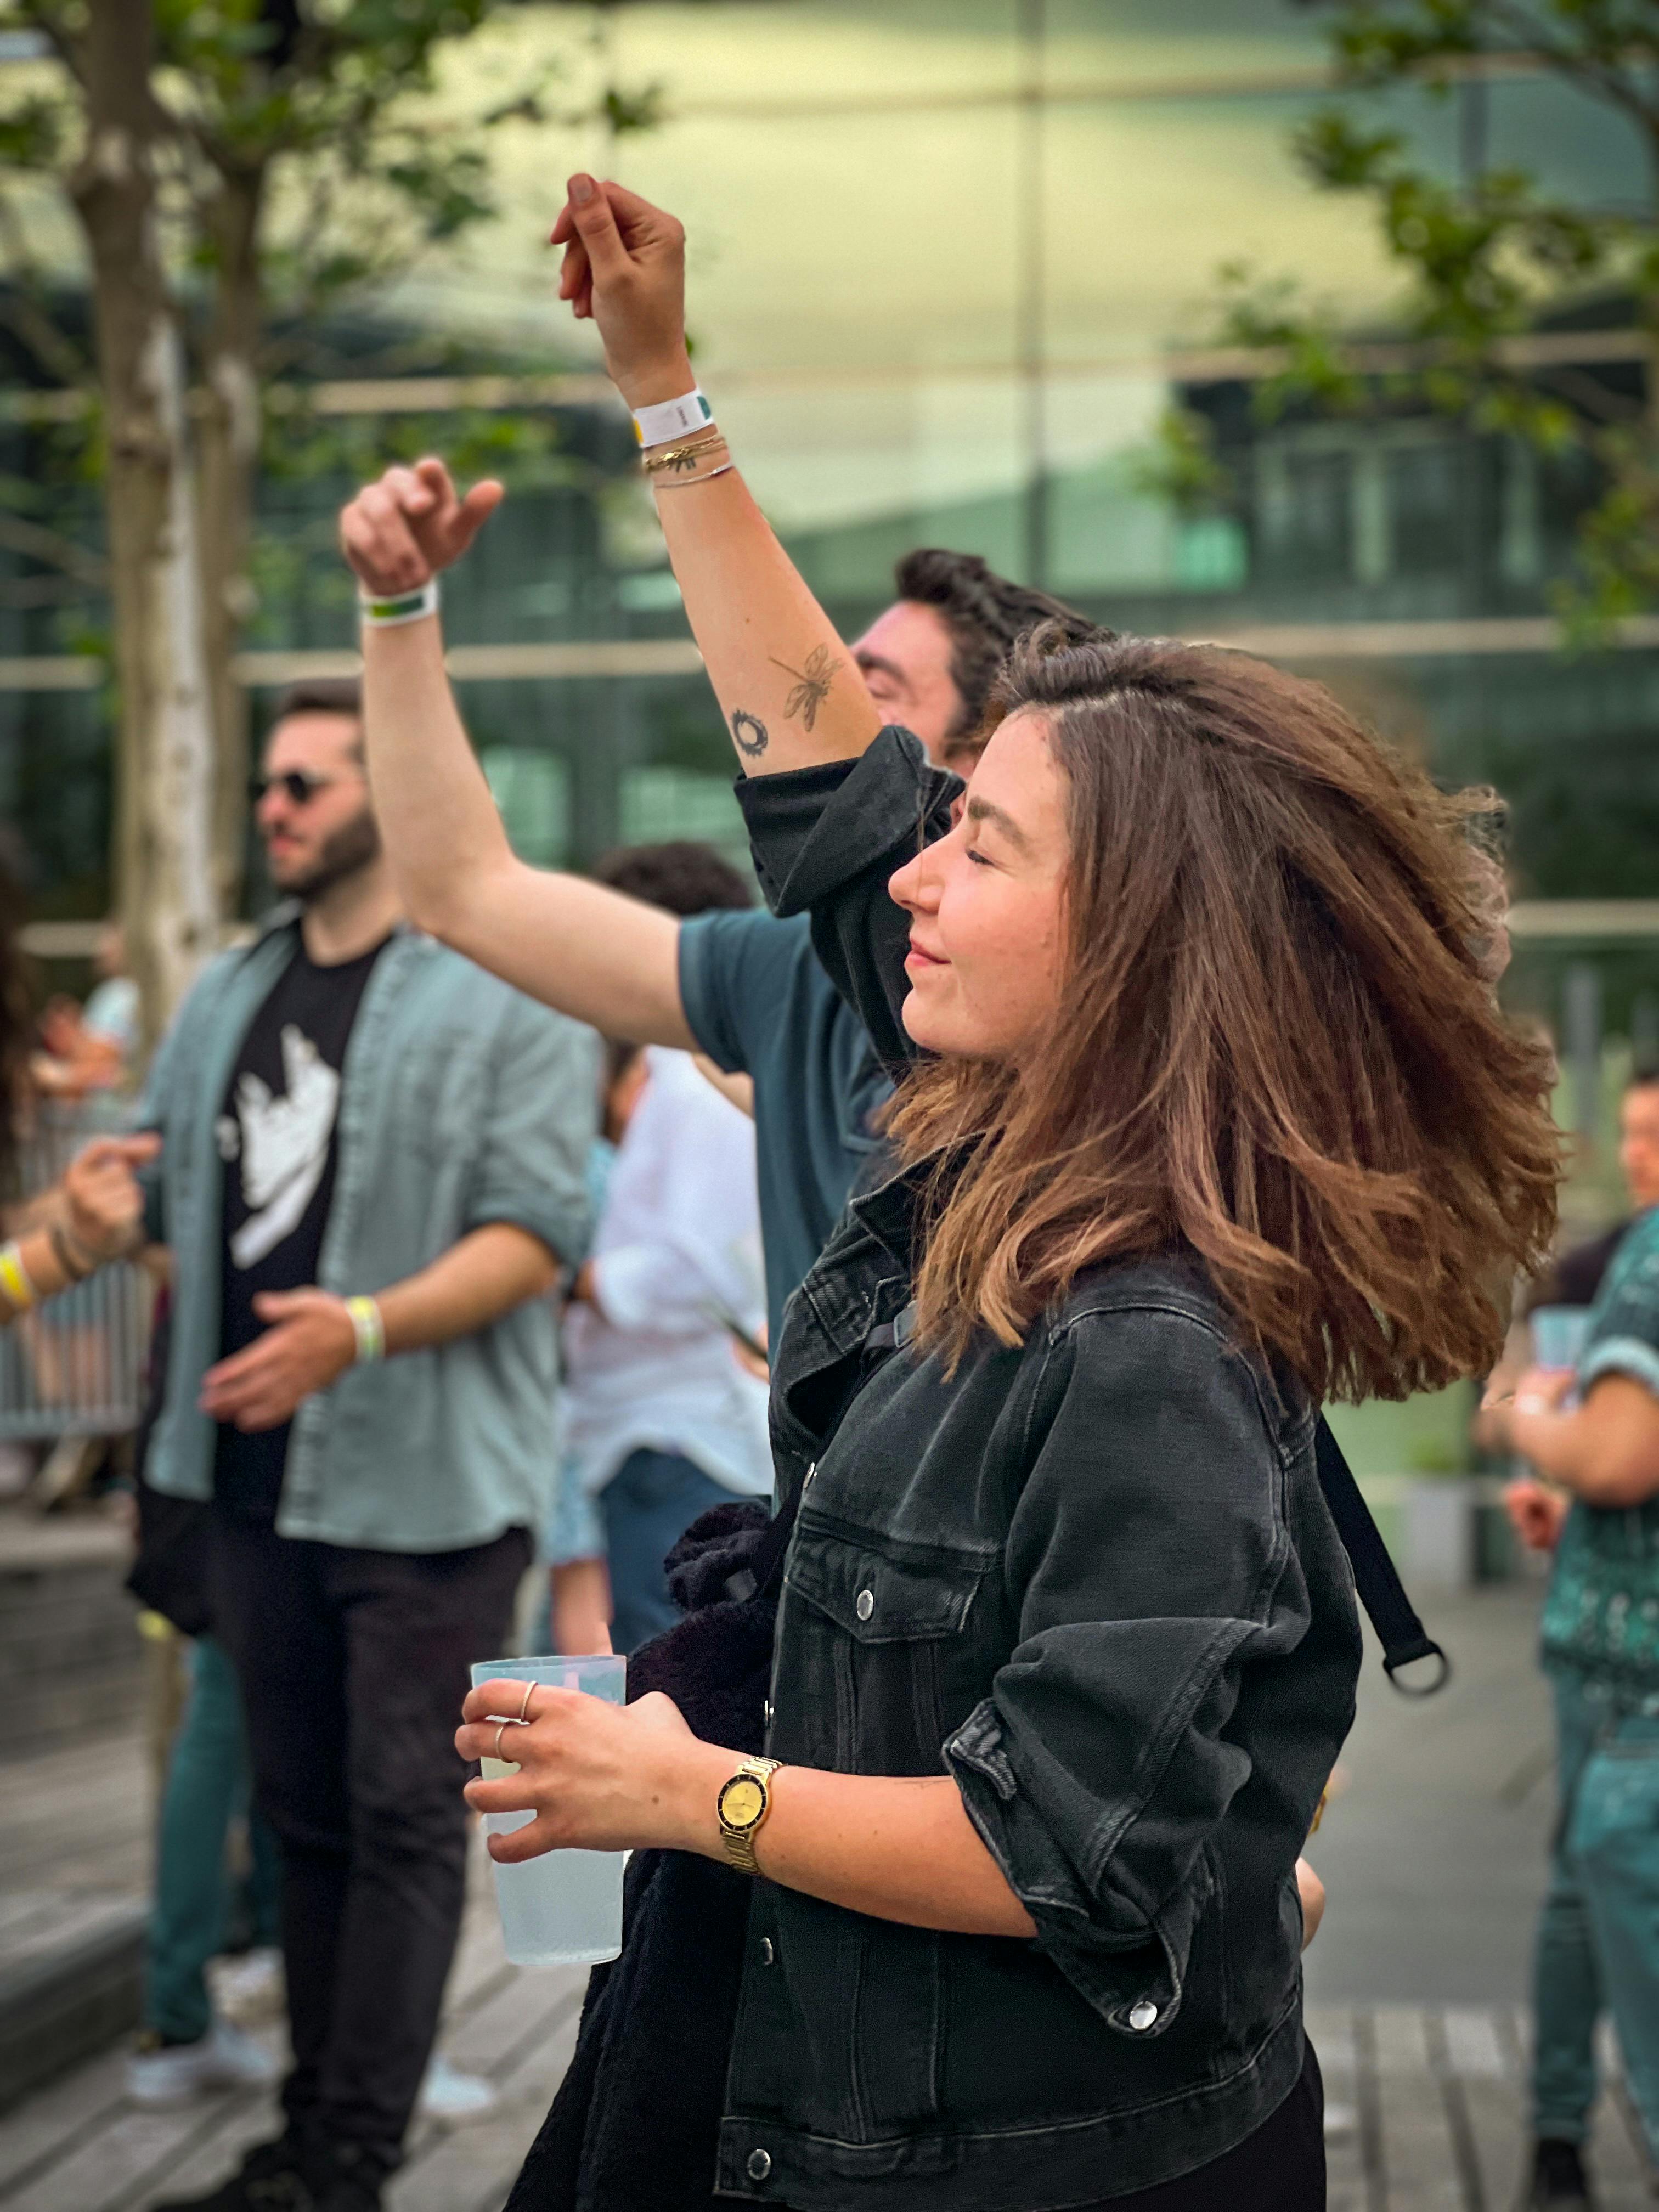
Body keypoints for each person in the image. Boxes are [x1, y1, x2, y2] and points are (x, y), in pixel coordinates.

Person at [359, 173, 1561, 2211]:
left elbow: (1069, 1841)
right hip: (830, 2047)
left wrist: (692, 1790)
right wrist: (655, 390)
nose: (907, 857)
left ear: (1132, 940)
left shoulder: (1144, 1332)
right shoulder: (968, 1145)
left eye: (978, 835)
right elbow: (807, 793)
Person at [76, 675, 602, 2212]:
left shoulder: (504, 989)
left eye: (306, 783)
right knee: (296, 1819)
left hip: (429, 1488)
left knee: (396, 1817)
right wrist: (109, 1222)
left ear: (387, 793)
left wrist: (358, 1329)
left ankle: (353, 2160)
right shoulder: (229, 995)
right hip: (246, 1478)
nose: (276, 809)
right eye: (268, 788)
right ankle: (306, 2140)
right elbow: (175, 1211)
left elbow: (538, 1232)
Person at [337, 459, 1091, 1345]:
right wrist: (398, 611)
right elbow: (464, 892)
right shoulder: (791, 979)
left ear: (994, 768)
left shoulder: (1089, 1068)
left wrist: (668, 406)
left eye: (868, 701)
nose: (799, 727)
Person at [1486, 1063, 1659, 2207]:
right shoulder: (1605, 1260)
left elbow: (1617, 1454)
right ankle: (1554, 2128)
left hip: (1635, 1671)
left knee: (1620, 1905)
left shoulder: (1645, 1263)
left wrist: (1529, 1424)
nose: (1643, 1154)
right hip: (1602, 1633)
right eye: (1635, 1132)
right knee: (1574, 1896)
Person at [558, 844, 771, 1655]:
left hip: (675, 1435)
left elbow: (704, 1269)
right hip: (653, 1435)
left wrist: (577, 1284)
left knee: (669, 1675)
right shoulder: (689, 1066)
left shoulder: (696, 1073)